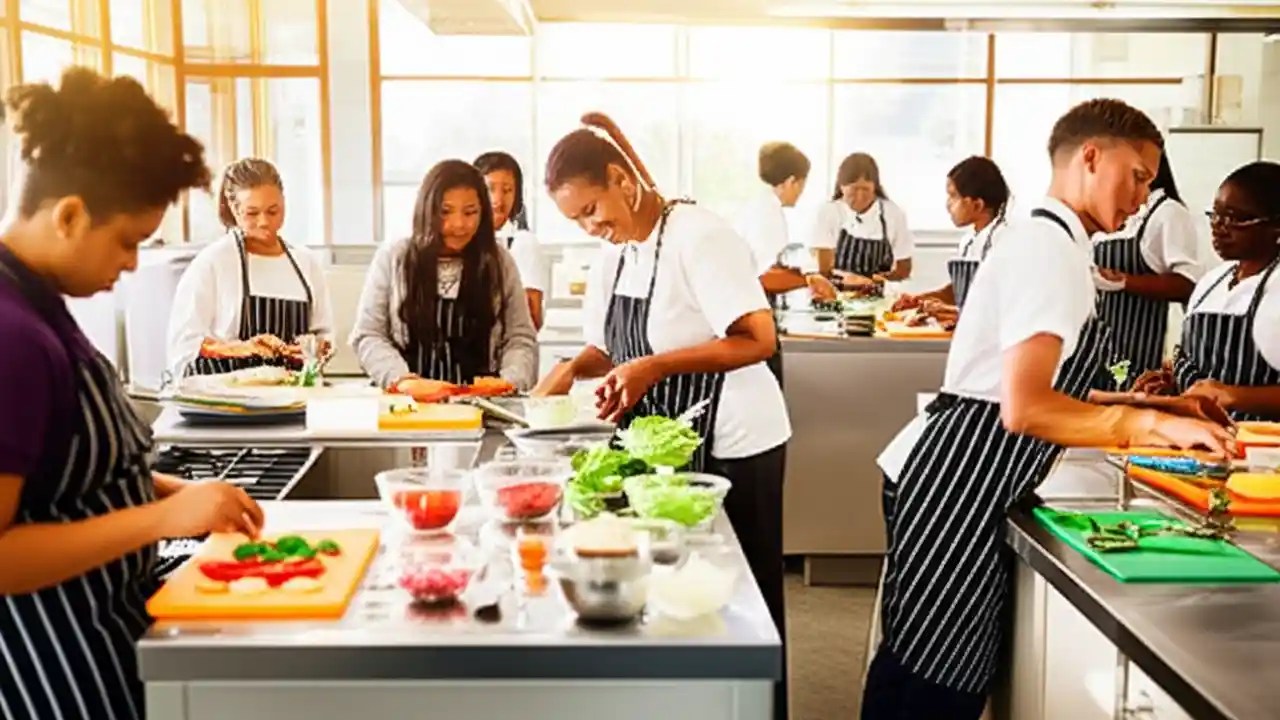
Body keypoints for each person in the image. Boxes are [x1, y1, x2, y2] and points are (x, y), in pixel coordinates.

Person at [867, 99, 1233, 720]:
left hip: (959, 468)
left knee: (916, 657)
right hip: (964, 475)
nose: (1144, 196)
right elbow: (1025, 407)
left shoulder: (1049, 238)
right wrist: (1148, 424)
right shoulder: (1048, 249)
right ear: (1091, 156)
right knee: (937, 678)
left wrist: (1165, 404)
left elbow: (1057, 387)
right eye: (1138, 175)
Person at [0, 68, 263, 720]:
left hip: (107, 637)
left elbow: (70, 478)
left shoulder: (42, 309)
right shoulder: (9, 336)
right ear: (69, 216)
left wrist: (183, 495)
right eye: (127, 242)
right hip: (56, 672)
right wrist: (163, 518)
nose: (131, 264)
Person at [532, 113, 792, 719]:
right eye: (576, 220)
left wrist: (650, 368)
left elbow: (758, 339)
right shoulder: (615, 254)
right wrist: (574, 367)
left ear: (621, 179)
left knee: (745, 597)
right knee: (674, 586)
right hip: (666, 442)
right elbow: (611, 345)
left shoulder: (699, 235)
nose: (592, 227)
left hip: (734, 439)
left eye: (593, 209)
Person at [350, 159, 537, 390]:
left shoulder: (499, 262)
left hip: (484, 406)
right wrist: (402, 381)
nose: (458, 224)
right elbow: (368, 335)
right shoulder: (394, 257)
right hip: (407, 406)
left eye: (470, 212)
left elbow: (521, 339)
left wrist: (508, 381)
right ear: (426, 210)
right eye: (445, 212)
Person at [1133, 161, 1280, 421]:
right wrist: (1174, 381)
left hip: (1261, 450)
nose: (1218, 226)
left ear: (1275, 227)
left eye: (1234, 218)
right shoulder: (1211, 282)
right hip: (1202, 441)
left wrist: (1233, 395)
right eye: (1215, 214)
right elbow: (1198, 363)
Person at [167, 158, 334, 376]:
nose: (264, 222)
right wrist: (241, 348)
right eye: (252, 213)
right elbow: (184, 344)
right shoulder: (212, 263)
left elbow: (325, 335)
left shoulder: (306, 264)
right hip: (229, 400)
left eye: (273, 211)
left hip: (293, 398)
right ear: (235, 210)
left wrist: (315, 349)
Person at [1092, 151, 1202, 388]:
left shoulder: (1167, 213)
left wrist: (1125, 281)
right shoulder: (1107, 210)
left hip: (1138, 353)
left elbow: (1186, 285)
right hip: (1097, 352)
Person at [735, 141, 837, 385]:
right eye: (802, 184)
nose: (801, 191)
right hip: (750, 317)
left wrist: (809, 276)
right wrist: (809, 280)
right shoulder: (768, 214)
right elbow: (764, 277)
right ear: (792, 181)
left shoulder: (758, 206)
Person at [894, 156, 1011, 315]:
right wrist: (918, 299)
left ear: (977, 205)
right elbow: (957, 290)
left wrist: (948, 310)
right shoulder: (969, 240)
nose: (948, 204)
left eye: (953, 196)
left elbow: (997, 303)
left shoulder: (1003, 239)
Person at [810, 152, 913, 290]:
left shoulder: (893, 214)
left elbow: (904, 269)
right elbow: (824, 271)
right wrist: (850, 281)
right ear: (841, 187)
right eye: (853, 190)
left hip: (878, 296)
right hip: (835, 294)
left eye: (866, 189)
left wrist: (875, 282)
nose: (860, 196)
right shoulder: (828, 212)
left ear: (875, 187)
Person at [475, 151, 548, 330]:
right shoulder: (460, 242)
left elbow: (533, 318)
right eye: (490, 189)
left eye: (507, 190)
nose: (498, 200)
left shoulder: (523, 243)